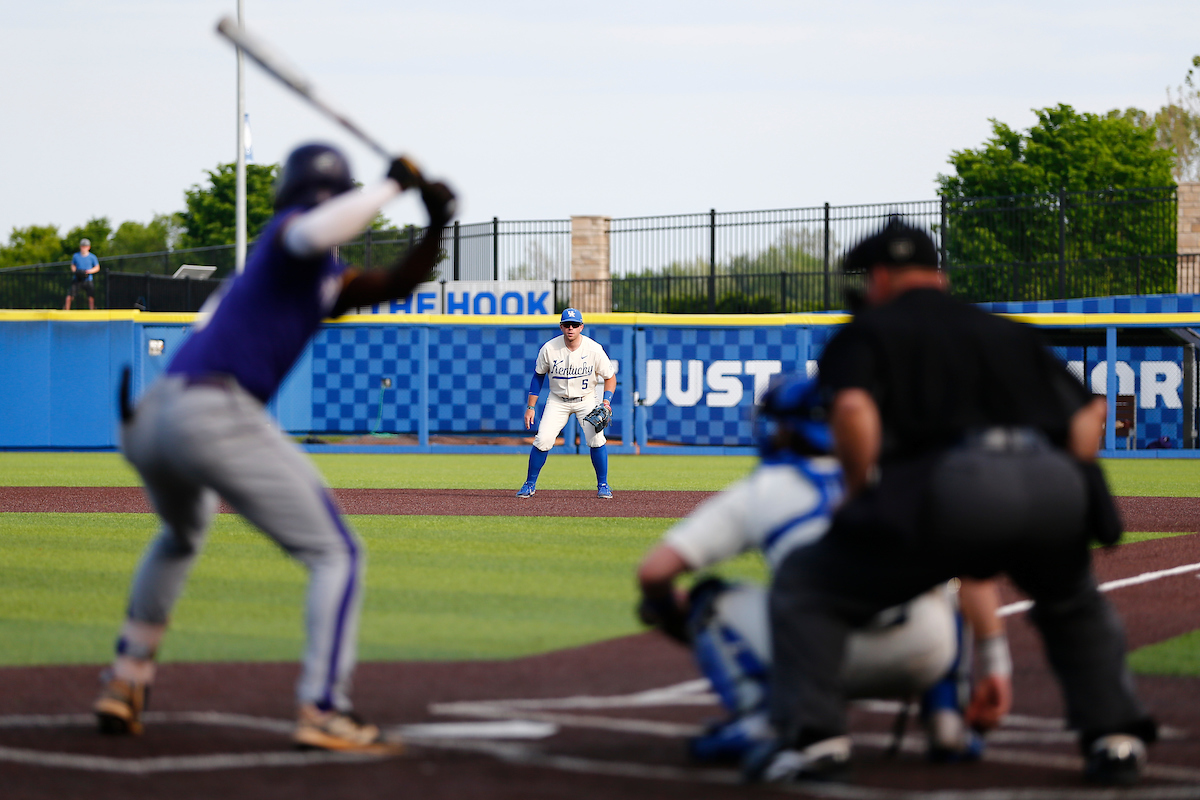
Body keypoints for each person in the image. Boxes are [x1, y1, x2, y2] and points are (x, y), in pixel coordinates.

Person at [750, 218, 1156, 785]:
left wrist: (861, 495)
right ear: (938, 275)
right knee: (1073, 604)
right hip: (1051, 480)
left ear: (884, 277)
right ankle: (1116, 737)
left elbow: (853, 413)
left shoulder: (868, 330)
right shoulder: (1002, 329)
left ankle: (818, 740)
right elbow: (1089, 415)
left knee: (805, 585)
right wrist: (1058, 478)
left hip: (947, 484)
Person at [93, 142, 456, 753]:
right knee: (337, 554)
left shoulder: (315, 277)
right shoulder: (290, 239)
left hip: (153, 417)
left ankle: (126, 679)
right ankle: (322, 707)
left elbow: (393, 282)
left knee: (182, 535)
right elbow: (316, 228)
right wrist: (391, 188)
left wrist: (436, 227)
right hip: (212, 410)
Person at [636, 373, 1011, 765]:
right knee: (945, 580)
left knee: (710, 600)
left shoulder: (764, 487)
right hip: (922, 653)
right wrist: (997, 666)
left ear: (785, 427)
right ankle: (947, 719)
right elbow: (975, 576)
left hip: (811, 661)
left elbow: (654, 572)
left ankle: (761, 720)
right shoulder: (902, 478)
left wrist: (665, 612)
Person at [516, 308, 617, 499]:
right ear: (561, 326)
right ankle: (529, 484)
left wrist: (606, 402)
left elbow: (610, 378)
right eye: (567, 325)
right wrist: (530, 407)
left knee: (596, 440)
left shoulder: (594, 349)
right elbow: (538, 377)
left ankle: (603, 485)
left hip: (586, 399)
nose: (571, 328)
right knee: (543, 440)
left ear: (581, 327)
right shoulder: (549, 348)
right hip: (558, 400)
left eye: (575, 325)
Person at [65, 238, 100, 310]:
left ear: (88, 247)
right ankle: (66, 311)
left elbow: (97, 267)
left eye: (85, 246)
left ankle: (92, 312)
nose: (83, 248)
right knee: (69, 296)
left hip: (88, 279)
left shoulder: (92, 257)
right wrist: (76, 271)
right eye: (82, 246)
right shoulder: (76, 256)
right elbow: (73, 266)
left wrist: (88, 271)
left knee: (91, 297)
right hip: (77, 279)